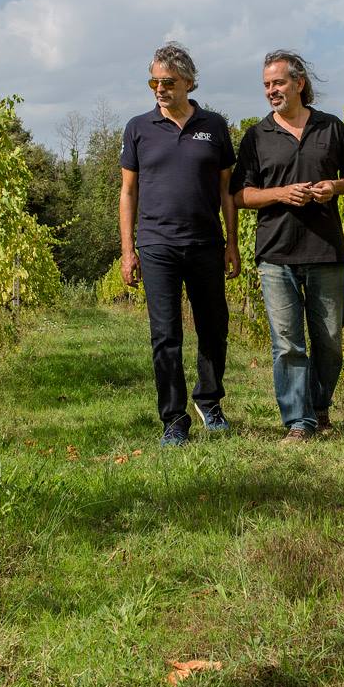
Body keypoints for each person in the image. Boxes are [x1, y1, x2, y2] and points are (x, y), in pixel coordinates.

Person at [231, 50, 344, 442]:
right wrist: (281, 193)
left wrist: (334, 187)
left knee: (330, 341)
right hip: (275, 253)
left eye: (278, 82)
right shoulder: (257, 136)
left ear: (299, 83)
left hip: (326, 250)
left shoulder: (331, 127)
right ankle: (298, 421)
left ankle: (319, 407)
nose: (271, 90)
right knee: (287, 343)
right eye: (267, 85)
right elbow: (240, 195)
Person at [120, 43, 240, 446]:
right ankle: (173, 419)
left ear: (188, 81)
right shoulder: (138, 128)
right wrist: (128, 250)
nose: (160, 88)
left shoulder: (214, 126)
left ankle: (209, 401)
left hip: (206, 242)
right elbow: (128, 192)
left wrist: (232, 243)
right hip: (157, 246)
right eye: (153, 82)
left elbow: (226, 190)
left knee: (214, 328)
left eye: (168, 82)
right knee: (165, 336)